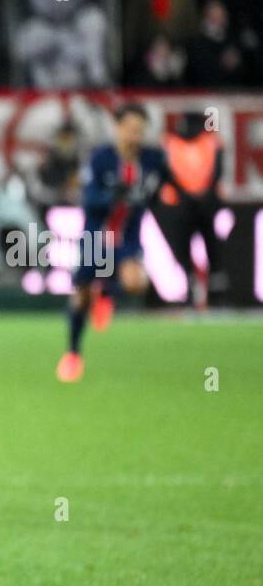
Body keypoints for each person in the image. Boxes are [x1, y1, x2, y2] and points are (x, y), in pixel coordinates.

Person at [57, 103, 169, 383]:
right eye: (130, 130)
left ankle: (106, 292)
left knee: (135, 282)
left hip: (128, 236)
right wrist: (113, 196)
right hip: (96, 236)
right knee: (81, 295)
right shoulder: (101, 159)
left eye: (140, 131)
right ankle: (72, 353)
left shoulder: (152, 159)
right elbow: (88, 199)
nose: (135, 136)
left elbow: (166, 183)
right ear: (117, 128)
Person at [158, 110, 223, 310]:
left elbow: (217, 172)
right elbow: (167, 174)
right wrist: (188, 195)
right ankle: (189, 290)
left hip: (203, 205)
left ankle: (215, 294)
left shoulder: (210, 142)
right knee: (182, 250)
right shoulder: (171, 143)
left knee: (213, 250)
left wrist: (202, 194)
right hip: (183, 206)